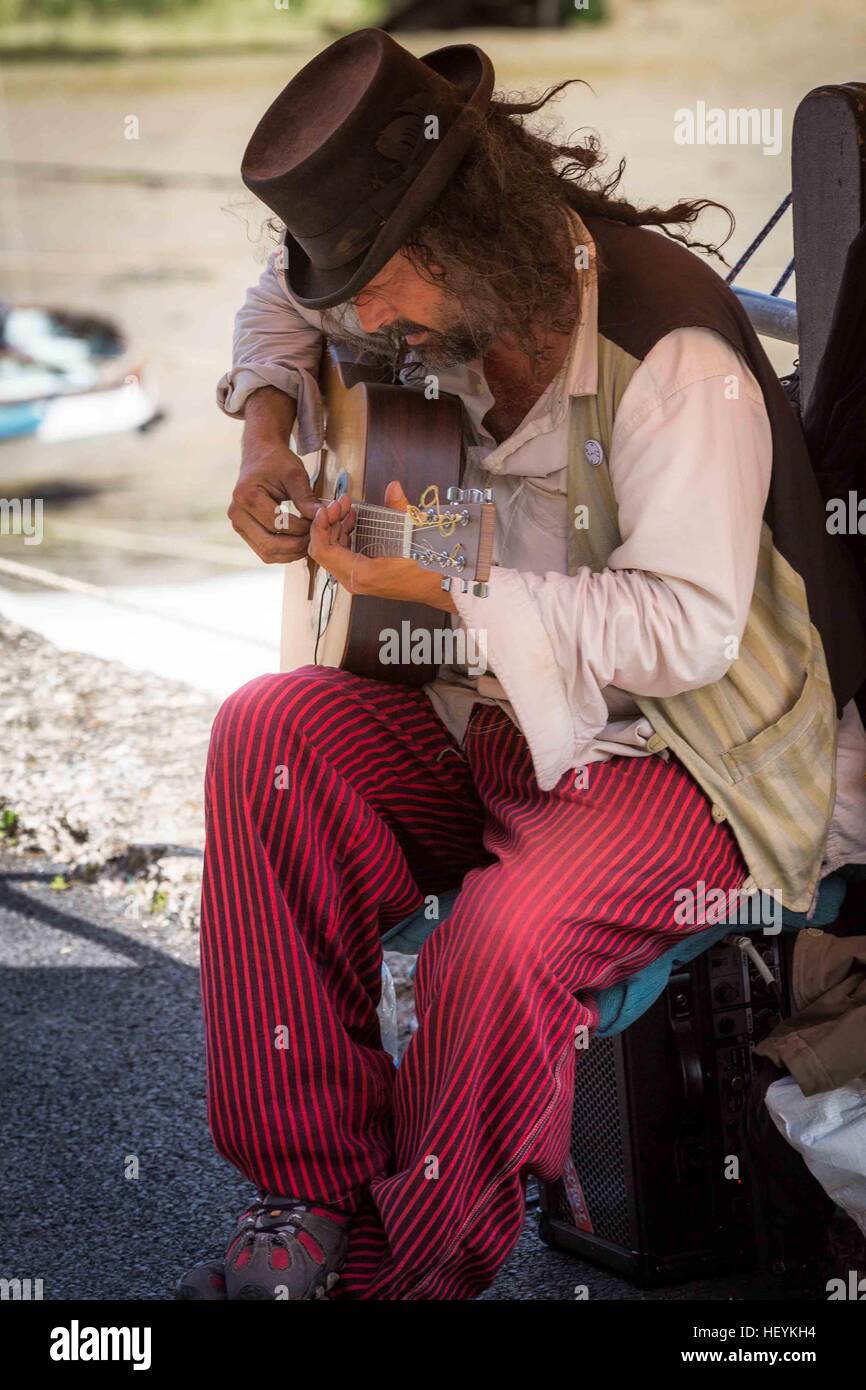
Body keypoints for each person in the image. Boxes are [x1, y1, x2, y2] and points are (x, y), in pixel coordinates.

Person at [178, 27, 866, 1300]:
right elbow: (282, 299)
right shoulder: (407, 291)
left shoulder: (670, 355)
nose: (358, 317)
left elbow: (685, 630)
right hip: (489, 706)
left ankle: (402, 1272)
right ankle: (306, 1187)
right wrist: (263, 434)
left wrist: (445, 580)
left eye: (376, 284)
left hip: (685, 749)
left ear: (467, 242)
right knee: (265, 735)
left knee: (502, 937)